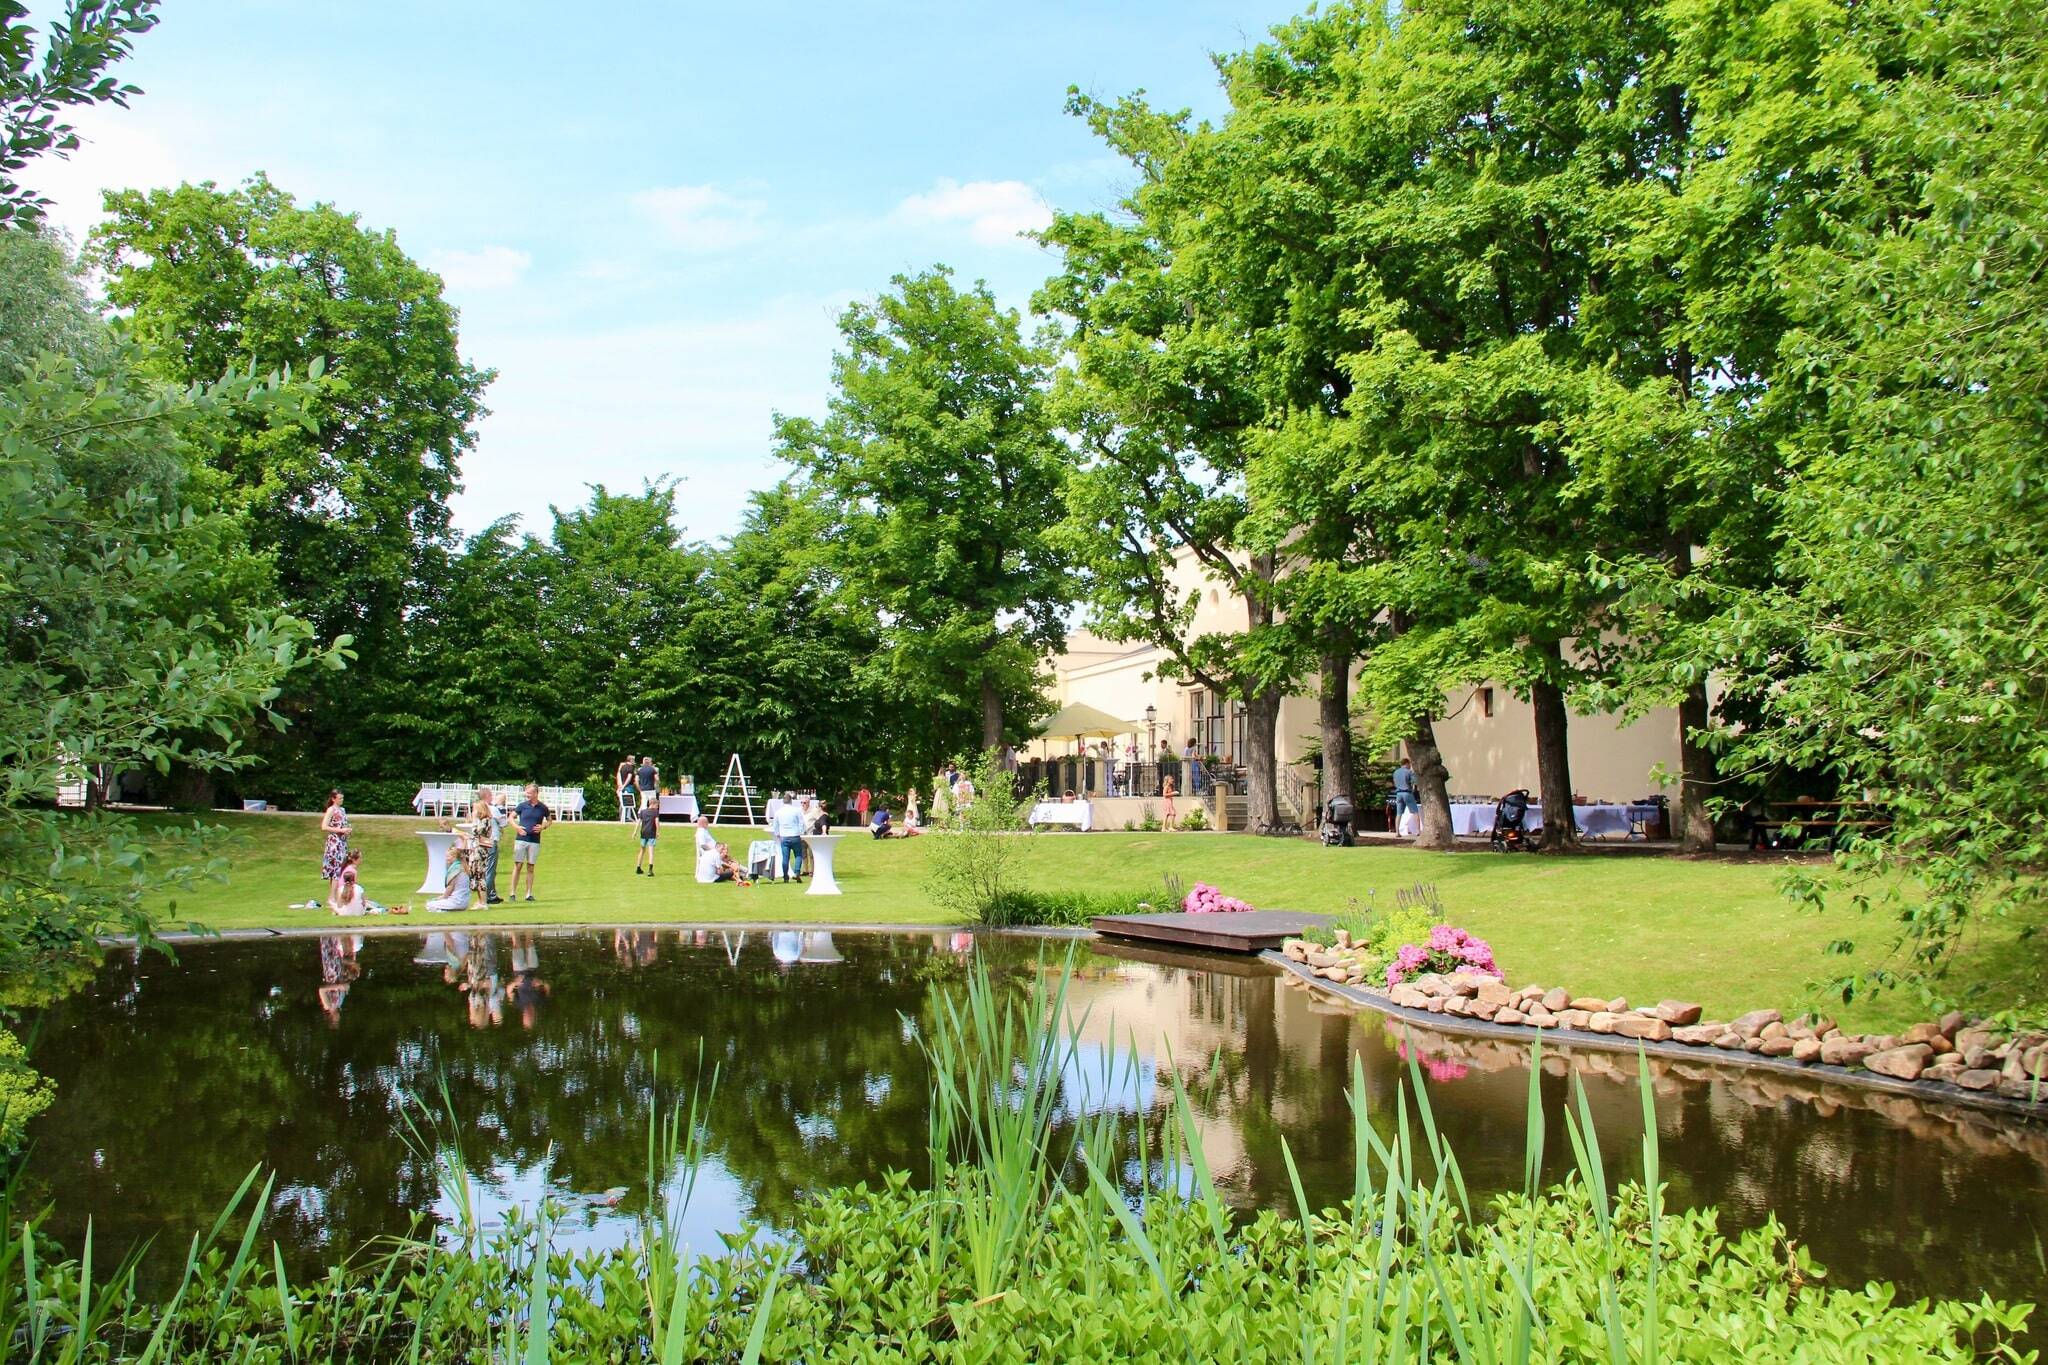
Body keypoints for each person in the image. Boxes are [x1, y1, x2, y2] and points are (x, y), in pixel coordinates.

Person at [510, 783, 553, 902]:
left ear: (535, 793)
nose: (527, 795)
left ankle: (528, 894)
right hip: (521, 839)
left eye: (529, 793)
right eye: (526, 793)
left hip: (534, 841)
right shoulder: (522, 806)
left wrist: (543, 827)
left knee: (530, 867)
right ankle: (512, 893)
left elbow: (550, 820)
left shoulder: (543, 807)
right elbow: (511, 817)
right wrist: (517, 827)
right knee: (518, 865)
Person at [477, 786, 507, 904]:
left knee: (485, 867)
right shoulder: (493, 809)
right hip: (491, 840)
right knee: (490, 868)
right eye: (491, 795)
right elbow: (503, 823)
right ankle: (488, 895)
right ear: (487, 796)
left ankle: (491, 894)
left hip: (481, 840)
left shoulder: (477, 808)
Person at [773, 794, 807, 882]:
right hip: (795, 835)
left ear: (783, 801)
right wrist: (801, 832)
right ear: (791, 801)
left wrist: (777, 834)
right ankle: (797, 872)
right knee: (798, 855)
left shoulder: (778, 812)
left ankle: (785, 876)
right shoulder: (797, 811)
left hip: (784, 836)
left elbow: (775, 825)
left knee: (785, 858)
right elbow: (801, 823)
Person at [319, 790, 350, 885]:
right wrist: (341, 830)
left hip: (342, 842)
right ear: (333, 799)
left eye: (342, 798)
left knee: (340, 870)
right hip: (334, 843)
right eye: (339, 798)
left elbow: (342, 824)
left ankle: (336, 893)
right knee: (336, 871)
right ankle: (333, 894)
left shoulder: (342, 810)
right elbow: (324, 826)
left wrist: (346, 831)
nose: (342, 800)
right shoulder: (331, 810)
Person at [634, 795, 659, 876]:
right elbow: (657, 822)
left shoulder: (643, 811)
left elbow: (638, 822)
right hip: (651, 833)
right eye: (657, 805)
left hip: (643, 833)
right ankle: (650, 870)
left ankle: (638, 867)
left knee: (642, 850)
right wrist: (658, 832)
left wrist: (635, 832)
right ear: (653, 804)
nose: (657, 807)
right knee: (651, 852)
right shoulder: (655, 812)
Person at [1393, 758, 1420, 827]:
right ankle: (1418, 830)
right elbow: (1415, 782)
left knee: (1398, 814)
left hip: (1398, 794)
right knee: (1415, 812)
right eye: (1409, 764)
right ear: (1407, 763)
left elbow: (1395, 783)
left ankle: (1397, 831)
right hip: (1407, 793)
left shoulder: (1395, 772)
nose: (1410, 766)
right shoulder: (1409, 772)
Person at [693, 814, 720, 883]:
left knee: (727, 856)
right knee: (727, 858)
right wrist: (714, 851)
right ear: (703, 823)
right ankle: (742, 871)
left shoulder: (704, 831)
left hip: (715, 852)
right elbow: (703, 845)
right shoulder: (701, 832)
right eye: (707, 822)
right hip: (710, 854)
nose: (708, 824)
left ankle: (741, 871)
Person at [616, 755, 638, 822]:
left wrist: (620, 785)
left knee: (622, 802)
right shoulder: (630, 768)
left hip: (621, 786)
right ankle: (626, 817)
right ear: (631, 760)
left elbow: (619, 775)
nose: (634, 761)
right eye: (633, 760)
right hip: (628, 787)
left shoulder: (622, 767)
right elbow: (629, 778)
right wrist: (624, 786)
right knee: (628, 802)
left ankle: (622, 816)